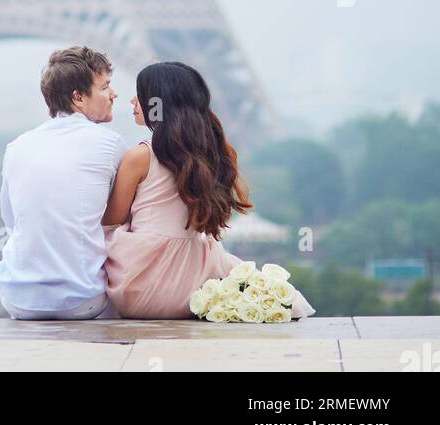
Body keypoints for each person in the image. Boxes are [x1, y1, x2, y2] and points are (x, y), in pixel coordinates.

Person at [103, 61, 316, 319]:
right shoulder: (210, 154)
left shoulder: (139, 156)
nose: (132, 100)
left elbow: (110, 224)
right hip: (194, 287)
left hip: (139, 288)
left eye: (141, 93)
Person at [0, 46, 128, 319]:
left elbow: (12, 223)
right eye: (105, 87)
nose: (114, 94)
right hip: (83, 301)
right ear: (78, 97)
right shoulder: (110, 144)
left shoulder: (17, 147)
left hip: (18, 300)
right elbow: (120, 218)